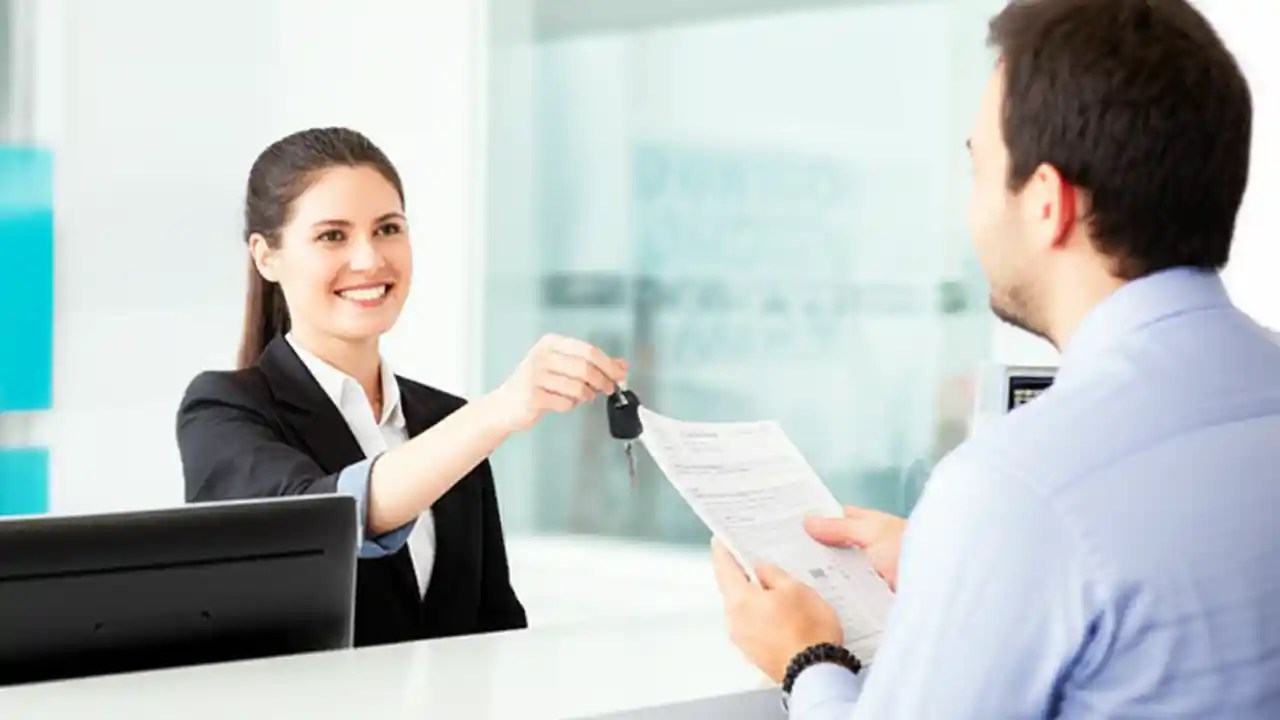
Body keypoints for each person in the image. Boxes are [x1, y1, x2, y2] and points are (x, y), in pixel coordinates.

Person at [710, 0, 1280, 717]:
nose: (973, 210)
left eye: (980, 170)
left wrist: (808, 659)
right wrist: (954, 563)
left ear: (1047, 203)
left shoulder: (1014, 487)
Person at [177, 127, 627, 646]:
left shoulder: (447, 422)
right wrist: (500, 410)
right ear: (266, 255)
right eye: (332, 236)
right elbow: (321, 517)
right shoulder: (224, 410)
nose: (369, 259)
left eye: (388, 229)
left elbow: (495, 628)